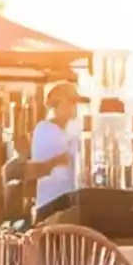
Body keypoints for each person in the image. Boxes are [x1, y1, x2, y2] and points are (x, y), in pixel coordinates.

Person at [27, 82, 84, 220]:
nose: (75, 106)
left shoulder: (69, 132)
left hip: (65, 206)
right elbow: (70, 156)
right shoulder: (45, 130)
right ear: (57, 104)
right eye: (71, 102)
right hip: (50, 207)